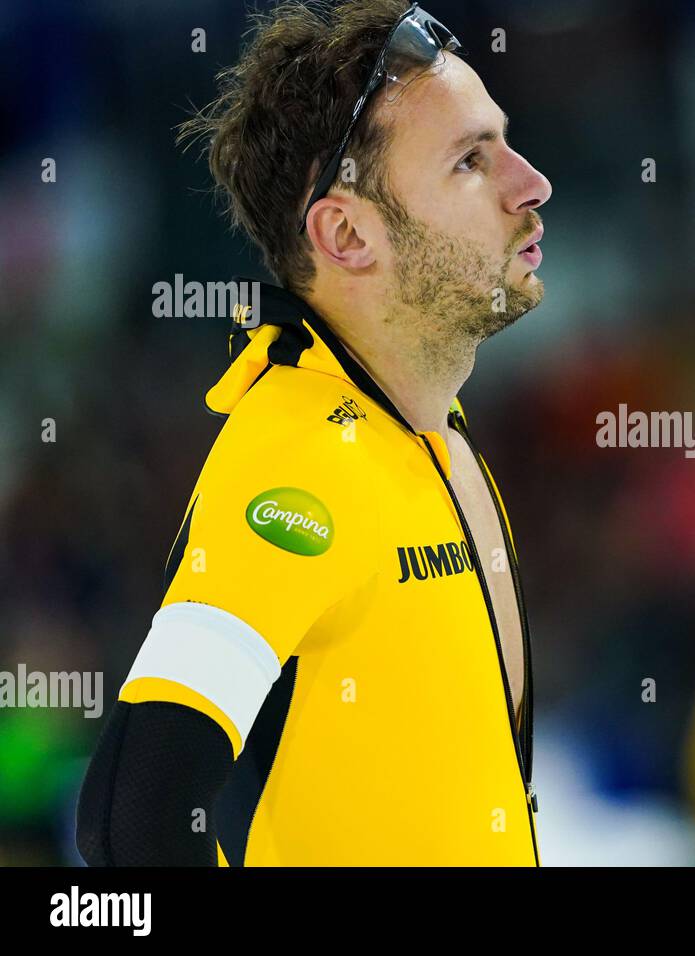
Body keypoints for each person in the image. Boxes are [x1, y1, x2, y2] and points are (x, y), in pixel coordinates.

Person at [76, 0, 551, 865]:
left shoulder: (433, 438)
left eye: (504, 142)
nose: (530, 182)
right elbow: (129, 829)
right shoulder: (296, 461)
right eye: (469, 162)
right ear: (345, 232)